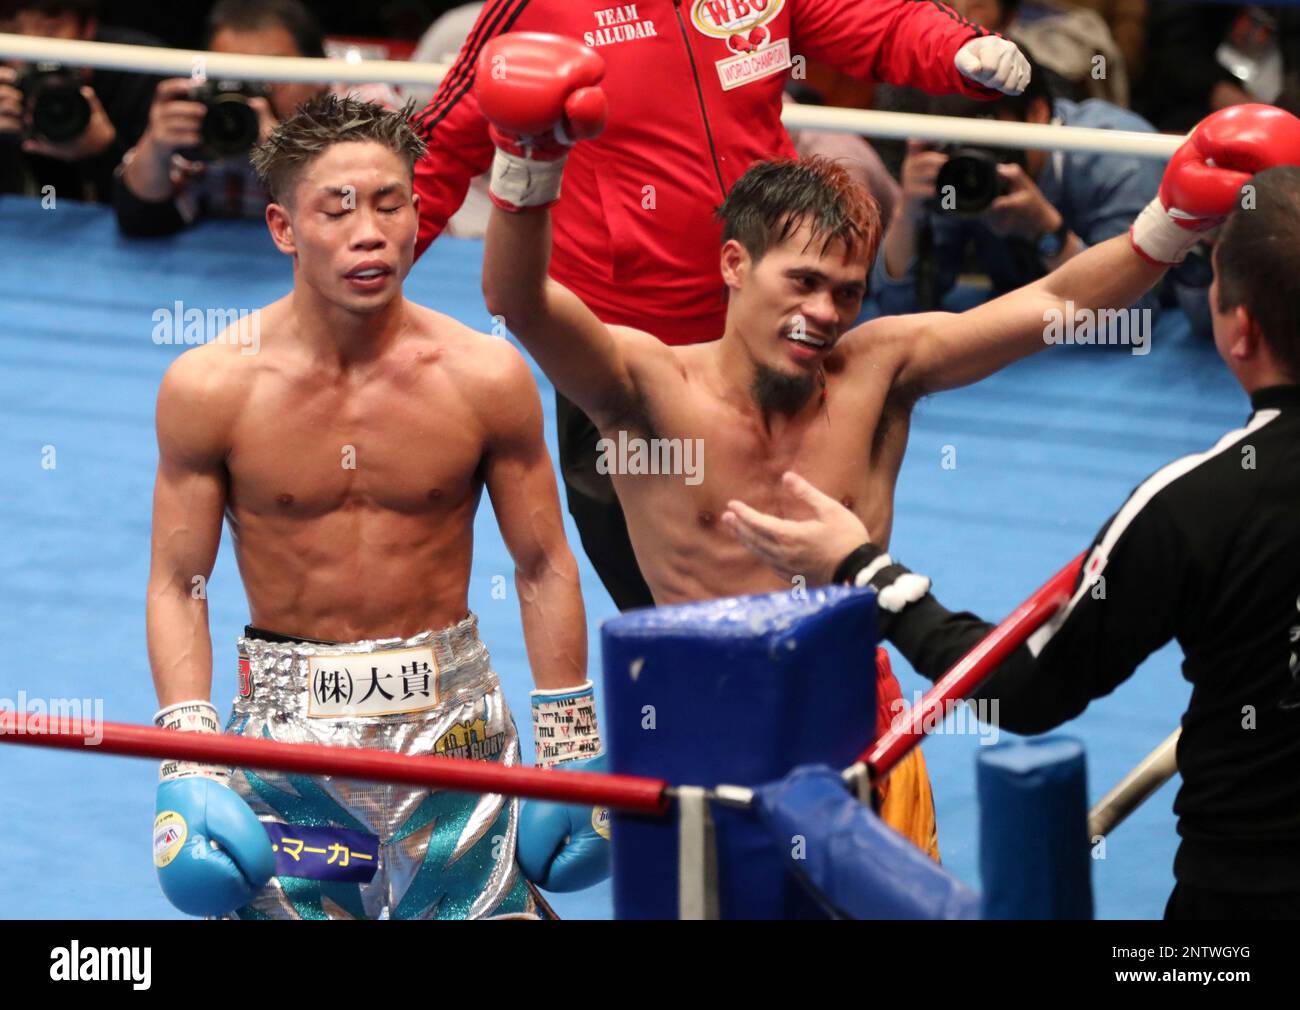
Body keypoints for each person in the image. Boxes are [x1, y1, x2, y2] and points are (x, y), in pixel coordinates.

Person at [474, 42, 1283, 860]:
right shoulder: (645, 388)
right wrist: (527, 168)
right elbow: (522, 302)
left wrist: (1170, 222)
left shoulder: (879, 371)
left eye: (847, 290)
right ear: (734, 265)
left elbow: (1056, 301)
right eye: (801, 281)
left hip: (863, 730)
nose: (825, 312)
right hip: (712, 738)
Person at [724, 159, 1300, 921]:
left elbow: (1022, 693)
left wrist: (863, 569)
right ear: (735, 263)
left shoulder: (1194, 506)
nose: (826, 310)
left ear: (1238, 327)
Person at [413, 0, 1031, 614]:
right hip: (623, 357)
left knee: (814, 569)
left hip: (779, 328)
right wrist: (337, 300)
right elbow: (435, 151)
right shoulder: (536, 7)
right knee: (663, 600)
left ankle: (819, 700)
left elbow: (877, 19)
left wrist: (954, 48)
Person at [146, 95, 601, 920]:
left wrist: (572, 746)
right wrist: (186, 758)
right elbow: (180, 581)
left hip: (454, 727)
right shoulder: (209, 387)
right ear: (284, 228)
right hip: (288, 740)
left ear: (419, 209)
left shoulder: (483, 377)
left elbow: (542, 561)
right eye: (339, 208)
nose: (370, 231)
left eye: (391, 203)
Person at [873, 56, 1163, 320]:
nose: (976, 154)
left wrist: (1048, 234)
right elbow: (898, 308)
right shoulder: (957, 164)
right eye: (961, 136)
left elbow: (1132, 319)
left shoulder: (1119, 159)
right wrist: (907, 211)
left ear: (1037, 113)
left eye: (988, 133)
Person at [114, 0, 396, 236]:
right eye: (234, 76)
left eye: (270, 77)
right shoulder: (208, 104)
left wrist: (288, 159)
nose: (255, 97)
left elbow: (381, 222)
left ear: (320, 72)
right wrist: (155, 148)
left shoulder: (362, 105)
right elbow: (140, 219)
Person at [0, 0, 160, 202]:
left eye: (50, 32)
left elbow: (156, 213)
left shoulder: (141, 67)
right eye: (14, 33)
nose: (33, 53)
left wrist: (104, 151)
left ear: (87, 28)